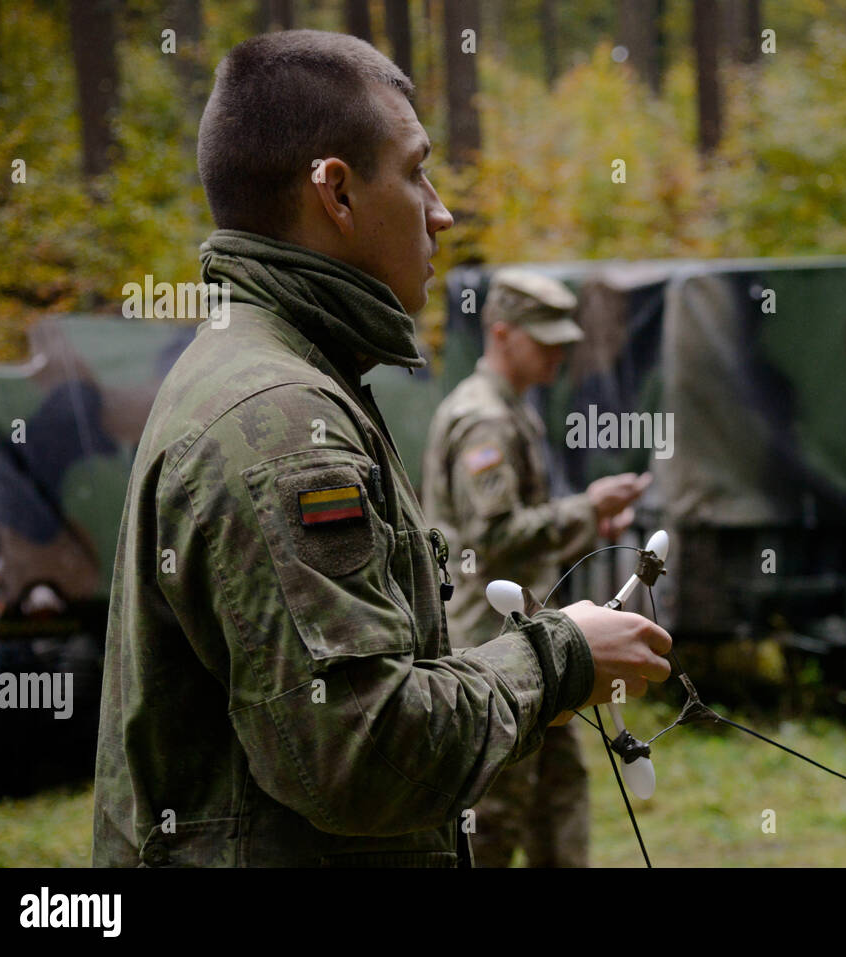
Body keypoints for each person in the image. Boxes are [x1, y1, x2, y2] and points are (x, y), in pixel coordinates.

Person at [92, 29, 671, 868]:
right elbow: (362, 752)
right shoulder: (282, 418)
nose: (441, 210)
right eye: (415, 170)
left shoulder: (277, 370)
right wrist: (562, 656)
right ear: (336, 191)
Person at [422, 269, 650, 866]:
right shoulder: (486, 420)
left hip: (535, 639)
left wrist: (591, 522)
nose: (558, 354)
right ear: (502, 334)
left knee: (559, 794)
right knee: (494, 814)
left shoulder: (511, 409)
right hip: (495, 645)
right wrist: (588, 507)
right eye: (545, 340)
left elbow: (518, 531)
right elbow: (493, 538)